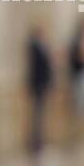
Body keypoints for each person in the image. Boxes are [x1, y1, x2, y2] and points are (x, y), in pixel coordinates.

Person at [26, 22, 53, 155]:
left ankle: (39, 142)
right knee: (37, 115)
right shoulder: (34, 46)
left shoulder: (42, 46)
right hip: (38, 85)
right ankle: (36, 144)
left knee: (40, 115)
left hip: (43, 84)